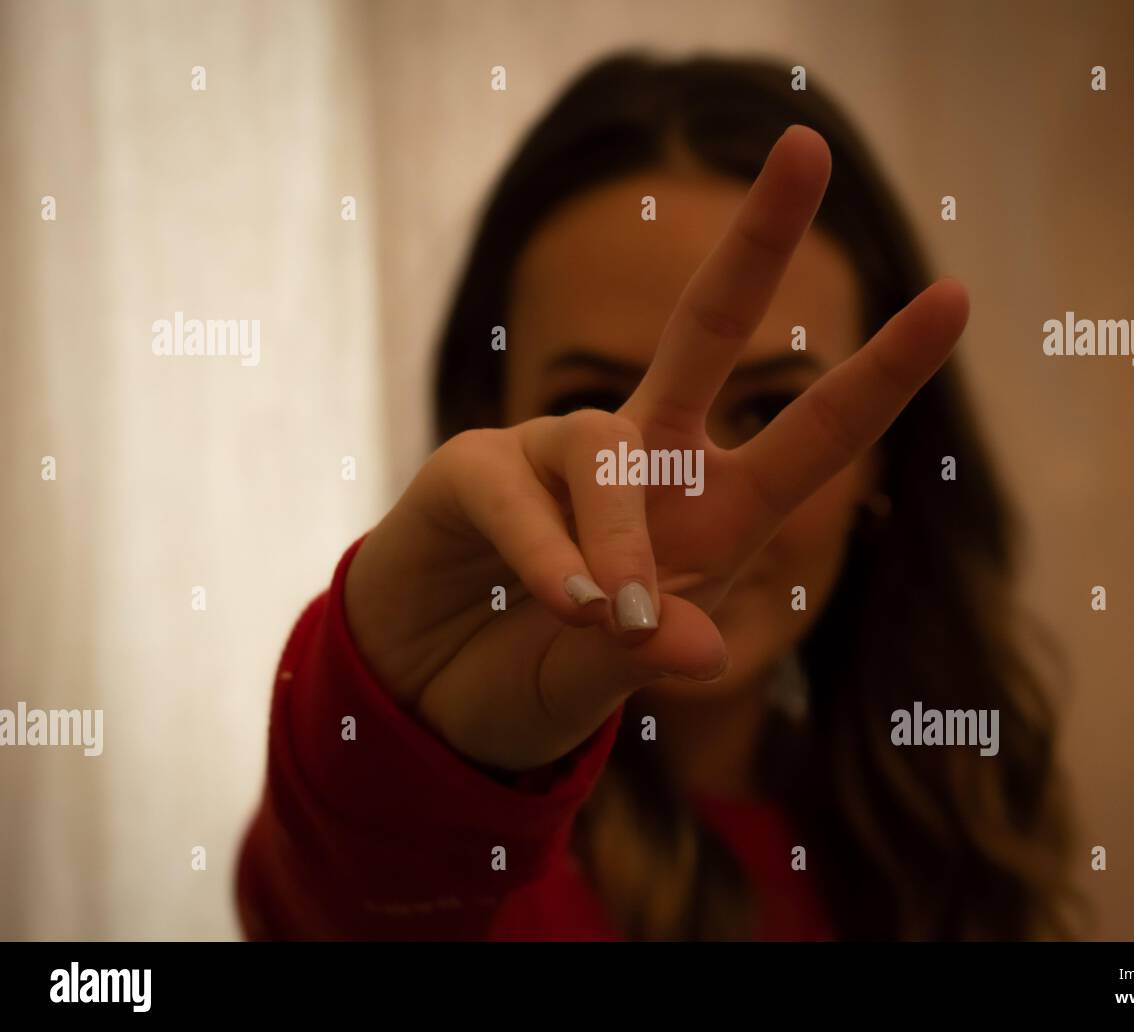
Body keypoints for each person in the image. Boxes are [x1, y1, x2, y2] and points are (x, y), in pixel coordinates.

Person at [235, 51, 1078, 941]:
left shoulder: (946, 812)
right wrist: (397, 735)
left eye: (770, 406)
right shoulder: (474, 868)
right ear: (488, 425)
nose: (677, 492)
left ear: (885, 457)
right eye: (591, 411)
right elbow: (332, 895)